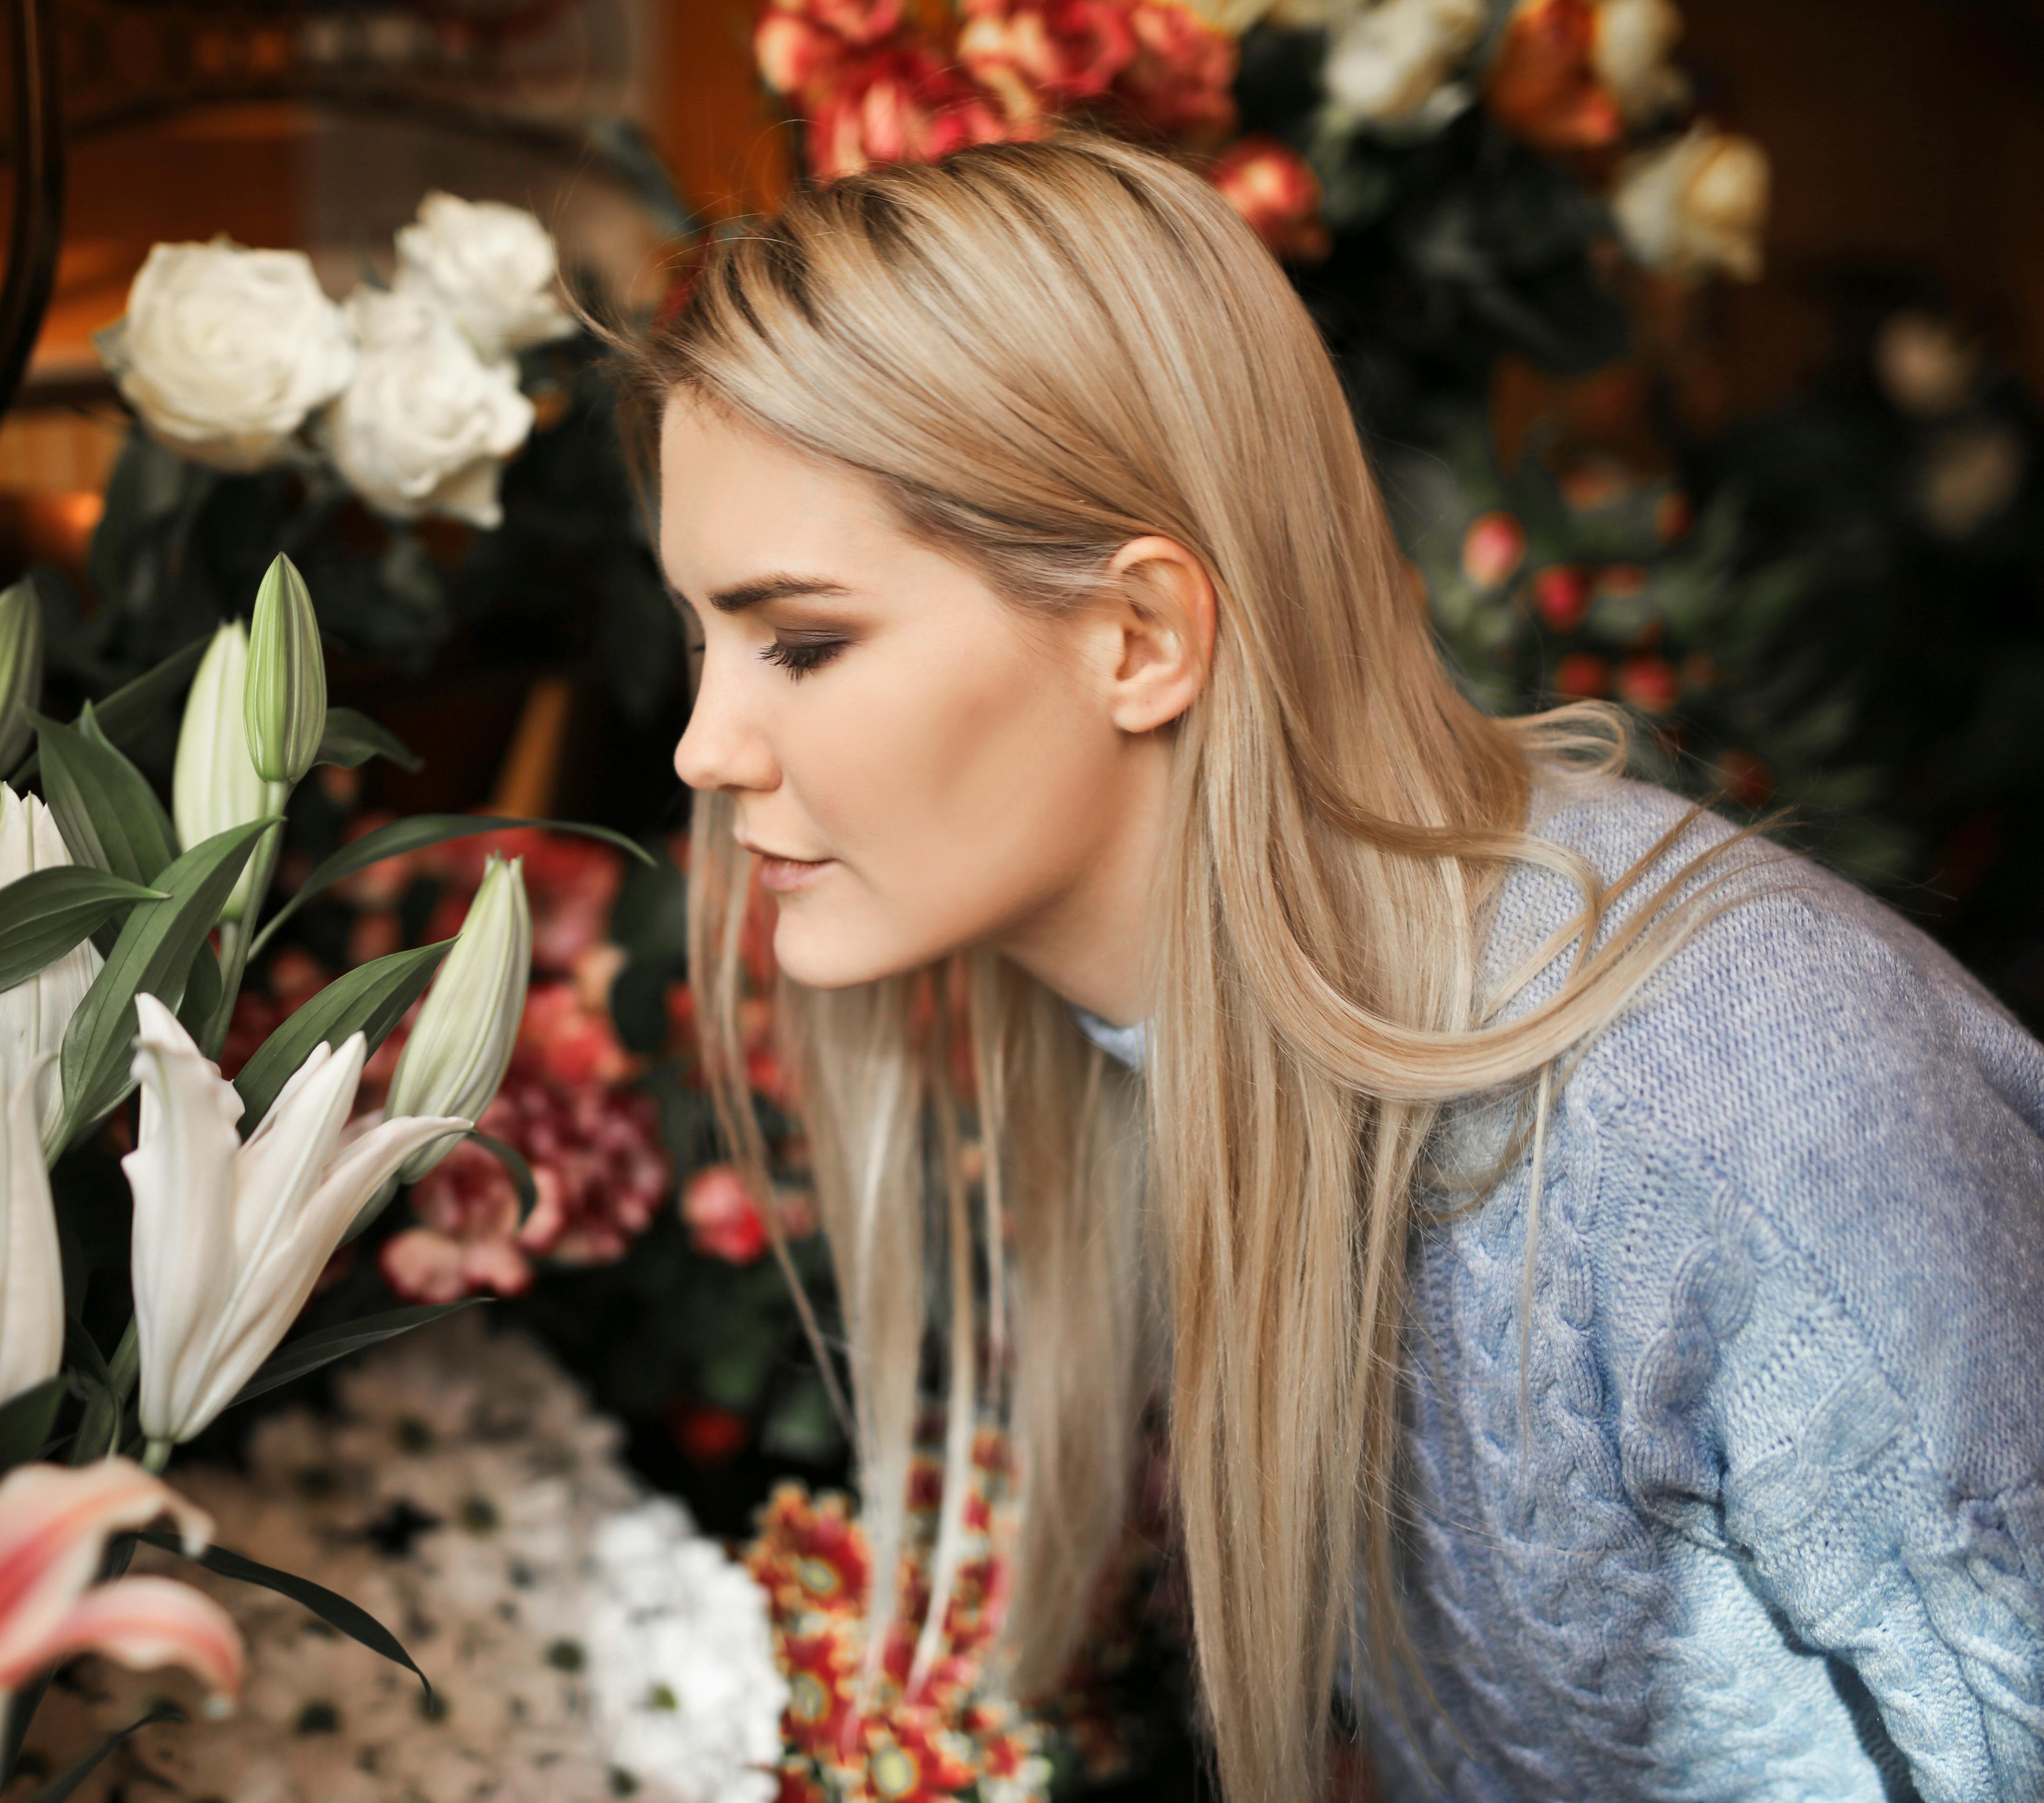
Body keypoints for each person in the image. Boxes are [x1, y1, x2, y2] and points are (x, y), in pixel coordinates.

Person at [627, 134, 2044, 1802]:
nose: (704, 749)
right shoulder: (1158, 1043)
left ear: (1141, 638)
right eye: (703, 640)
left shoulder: (1731, 1095)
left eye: (803, 642)